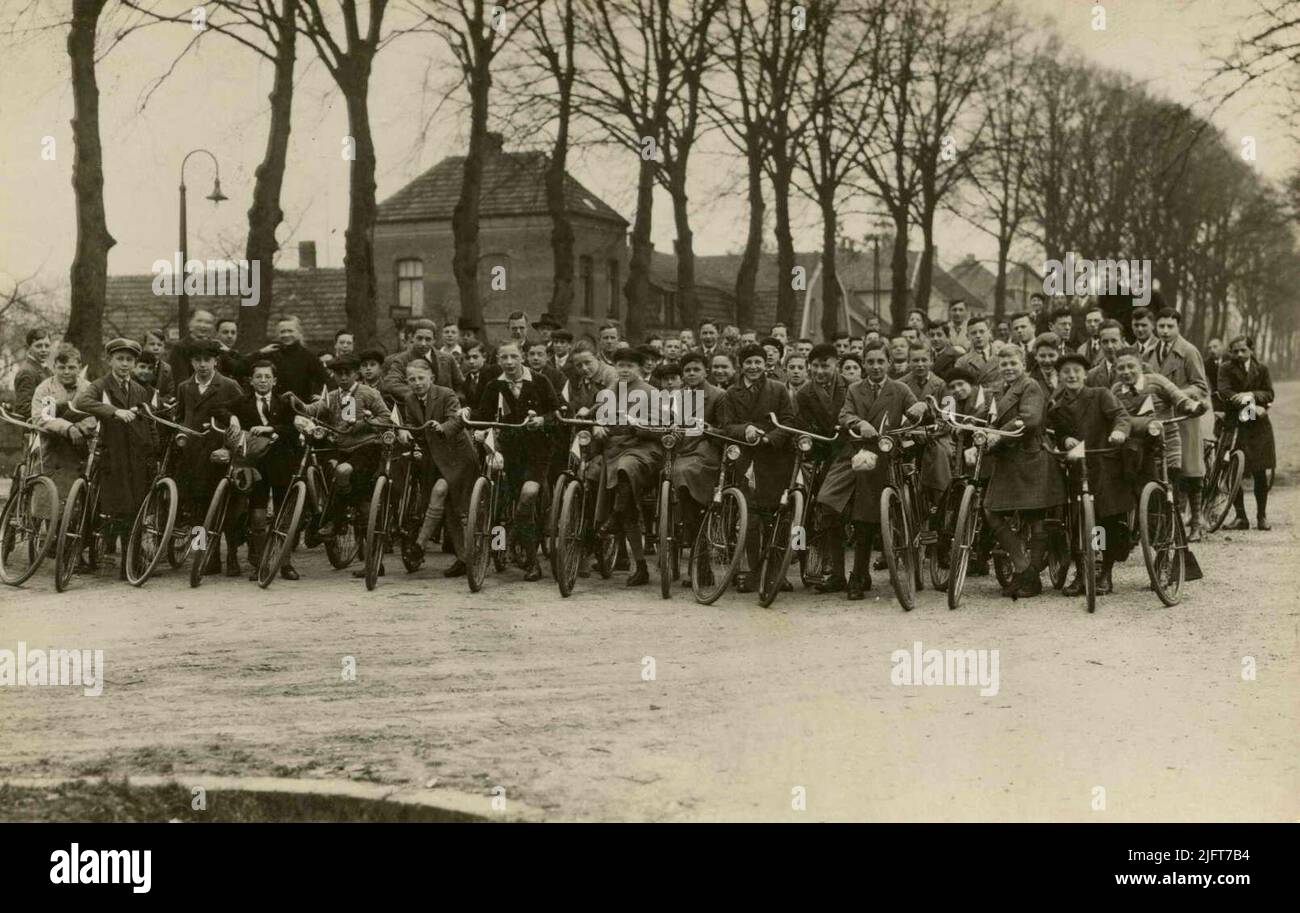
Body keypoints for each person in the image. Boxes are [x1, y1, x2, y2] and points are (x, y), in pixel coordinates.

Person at [831, 341, 927, 600]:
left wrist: (921, 407)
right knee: (842, 507)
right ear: (864, 364)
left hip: (890, 455)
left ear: (888, 364)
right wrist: (859, 422)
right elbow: (844, 415)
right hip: (861, 454)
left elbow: (916, 412)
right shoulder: (854, 389)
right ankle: (856, 574)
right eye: (870, 362)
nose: (875, 367)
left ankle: (898, 569)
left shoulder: (900, 389)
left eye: (880, 362)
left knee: (899, 508)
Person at [469, 340, 560, 581]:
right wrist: (473, 422)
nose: (509, 363)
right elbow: (483, 414)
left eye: (513, 357)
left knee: (527, 496)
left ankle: (531, 561)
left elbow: (558, 413)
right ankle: (500, 548)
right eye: (504, 358)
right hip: (508, 451)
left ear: (522, 358)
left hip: (538, 451)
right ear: (497, 360)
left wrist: (542, 420)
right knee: (500, 502)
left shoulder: (540, 382)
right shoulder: (494, 386)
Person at [982, 345, 1065, 599]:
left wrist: (997, 434)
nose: (1008, 368)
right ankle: (1024, 568)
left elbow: (1029, 419)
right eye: (1003, 364)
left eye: (1013, 363)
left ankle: (1029, 577)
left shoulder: (1030, 386)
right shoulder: (1002, 390)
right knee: (991, 510)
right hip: (1009, 461)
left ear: (1023, 365)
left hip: (1030, 458)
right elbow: (987, 417)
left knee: (1034, 516)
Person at [1046, 352, 1131, 595]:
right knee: (1076, 520)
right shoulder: (1057, 405)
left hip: (1103, 465)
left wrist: (1119, 433)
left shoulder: (1100, 395)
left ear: (1085, 374)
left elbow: (1120, 416)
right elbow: (1057, 433)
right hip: (1077, 467)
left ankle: (1104, 572)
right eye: (1066, 372)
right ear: (1059, 377)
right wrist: (1065, 439)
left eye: (1076, 371)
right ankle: (1082, 572)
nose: (1071, 375)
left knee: (1102, 522)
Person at [717, 343, 797, 593]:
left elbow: (788, 421)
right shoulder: (731, 393)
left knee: (777, 517)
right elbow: (726, 425)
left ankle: (776, 572)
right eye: (749, 362)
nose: (753, 367)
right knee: (750, 519)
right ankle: (753, 571)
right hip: (746, 460)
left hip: (775, 459)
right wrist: (746, 430)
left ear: (766, 365)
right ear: (741, 365)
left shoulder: (778, 389)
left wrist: (770, 439)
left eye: (758, 362)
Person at [74, 339, 158, 574]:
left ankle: (129, 562)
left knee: (137, 507)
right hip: (112, 456)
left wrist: (153, 449)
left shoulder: (140, 389)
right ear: (110, 360)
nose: (124, 364)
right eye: (120, 359)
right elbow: (82, 401)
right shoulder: (101, 385)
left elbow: (149, 420)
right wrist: (114, 411)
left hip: (137, 457)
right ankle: (93, 553)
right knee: (114, 507)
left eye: (129, 360)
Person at [291, 355, 388, 556]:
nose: (343, 377)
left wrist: (362, 424)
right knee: (331, 471)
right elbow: (314, 410)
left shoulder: (369, 393)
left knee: (343, 471)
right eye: (338, 373)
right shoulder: (332, 396)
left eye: (348, 373)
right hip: (341, 448)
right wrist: (297, 402)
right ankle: (337, 514)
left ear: (356, 373)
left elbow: (385, 417)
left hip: (366, 448)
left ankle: (337, 518)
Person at [593, 347, 664, 587]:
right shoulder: (608, 392)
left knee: (626, 468)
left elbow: (662, 427)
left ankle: (614, 516)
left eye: (629, 366)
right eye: (620, 365)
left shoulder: (652, 393)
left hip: (644, 451)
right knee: (599, 475)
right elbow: (597, 418)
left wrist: (636, 425)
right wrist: (598, 427)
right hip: (614, 450)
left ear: (641, 369)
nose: (624, 370)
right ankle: (639, 565)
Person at [175, 339, 246, 576]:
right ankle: (204, 556)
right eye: (197, 360)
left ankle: (232, 556)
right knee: (197, 509)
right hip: (194, 457)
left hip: (222, 457)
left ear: (216, 361)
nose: (202, 365)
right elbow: (180, 419)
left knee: (229, 510)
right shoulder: (185, 387)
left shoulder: (229, 386)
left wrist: (228, 449)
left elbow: (243, 420)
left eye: (207, 360)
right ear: (191, 362)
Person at [404, 357, 477, 576]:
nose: (417, 383)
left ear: (431, 378)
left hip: (457, 456)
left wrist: (441, 427)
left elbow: (457, 420)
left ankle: (420, 544)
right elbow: (411, 424)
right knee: (447, 507)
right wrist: (405, 431)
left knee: (444, 494)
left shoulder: (446, 394)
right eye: (412, 379)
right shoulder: (410, 399)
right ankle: (463, 558)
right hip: (433, 458)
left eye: (421, 378)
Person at [233, 358, 301, 580]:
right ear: (250, 381)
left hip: (282, 463)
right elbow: (220, 410)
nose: (263, 381)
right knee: (258, 515)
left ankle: (285, 563)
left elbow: (293, 430)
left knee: (283, 515)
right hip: (257, 465)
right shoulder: (242, 403)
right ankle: (260, 562)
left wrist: (271, 428)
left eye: (267, 377)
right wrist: (233, 418)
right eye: (258, 377)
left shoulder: (284, 404)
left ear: (274, 381)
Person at [1150, 307, 1210, 539]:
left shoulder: (1188, 351)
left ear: (1178, 327)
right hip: (1161, 419)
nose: (1165, 331)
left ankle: (1196, 523)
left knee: (1191, 471)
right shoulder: (1152, 352)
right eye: (1161, 326)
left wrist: (1176, 394)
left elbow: (1201, 386)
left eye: (1170, 326)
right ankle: (1172, 525)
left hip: (1184, 417)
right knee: (1167, 472)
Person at [796, 343, 851, 592]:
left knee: (856, 513)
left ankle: (858, 571)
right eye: (815, 366)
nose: (820, 371)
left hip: (848, 453)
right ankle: (828, 568)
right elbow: (803, 424)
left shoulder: (851, 386)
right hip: (821, 455)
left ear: (836, 365)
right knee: (820, 510)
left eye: (825, 366)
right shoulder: (805, 394)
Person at [30, 343, 97, 526]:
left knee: (75, 499)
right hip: (51, 449)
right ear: (54, 368)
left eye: (71, 367)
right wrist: (68, 428)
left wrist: (81, 428)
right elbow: (42, 417)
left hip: (78, 451)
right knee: (47, 496)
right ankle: (44, 535)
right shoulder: (46, 389)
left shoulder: (88, 389)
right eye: (61, 367)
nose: (66, 372)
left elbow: (94, 416)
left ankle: (69, 539)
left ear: (79, 367)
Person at [1218, 335, 1276, 530]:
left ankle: (1261, 516)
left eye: (1243, 350)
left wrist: (1251, 395)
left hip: (1258, 428)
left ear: (1251, 350)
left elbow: (1269, 393)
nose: (1239, 354)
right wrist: (1243, 401)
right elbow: (1224, 391)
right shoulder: (1225, 368)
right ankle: (1241, 516)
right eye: (1235, 351)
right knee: (1233, 470)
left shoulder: (1262, 368)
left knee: (1260, 471)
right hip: (1235, 424)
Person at [382, 318, 463, 400]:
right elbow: (390, 383)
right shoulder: (402, 359)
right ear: (412, 337)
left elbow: (460, 385)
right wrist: (419, 394)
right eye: (419, 338)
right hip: (415, 409)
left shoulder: (447, 358)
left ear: (434, 340)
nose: (423, 343)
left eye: (428, 339)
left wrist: (452, 400)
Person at [263, 316, 331, 401]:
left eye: (290, 331)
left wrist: (320, 397)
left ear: (299, 333)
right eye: (282, 332)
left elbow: (327, 381)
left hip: (301, 409)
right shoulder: (270, 355)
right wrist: (260, 353)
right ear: (277, 334)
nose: (286, 335)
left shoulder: (309, 357)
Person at [12, 328, 53, 421]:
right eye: (38, 346)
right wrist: (54, 412)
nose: (44, 350)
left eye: (47, 346)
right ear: (29, 348)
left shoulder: (46, 369)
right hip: (33, 428)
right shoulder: (26, 372)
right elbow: (24, 408)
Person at [952, 317, 1000, 389]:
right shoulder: (962, 362)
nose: (978, 336)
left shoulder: (1002, 355)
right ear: (968, 336)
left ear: (989, 333)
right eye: (973, 333)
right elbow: (959, 387)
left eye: (982, 331)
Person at [1085, 320, 1126, 389]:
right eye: (1105, 342)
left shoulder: (1134, 370)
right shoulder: (1092, 376)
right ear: (1100, 344)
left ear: (1123, 342)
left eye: (1114, 341)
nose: (1109, 346)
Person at [459, 341, 500, 407]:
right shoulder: (467, 380)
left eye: (475, 357)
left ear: (484, 357)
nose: (471, 361)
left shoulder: (494, 373)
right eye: (467, 358)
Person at [142, 330, 175, 398]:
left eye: (159, 345)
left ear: (164, 348)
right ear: (144, 346)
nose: (156, 348)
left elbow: (171, 393)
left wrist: (159, 403)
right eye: (152, 344)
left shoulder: (167, 369)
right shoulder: (136, 366)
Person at [1029, 332, 1061, 396]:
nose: (1047, 360)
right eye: (1042, 356)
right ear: (1035, 356)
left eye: (1051, 355)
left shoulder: (1066, 377)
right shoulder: (1029, 381)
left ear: (1058, 354)